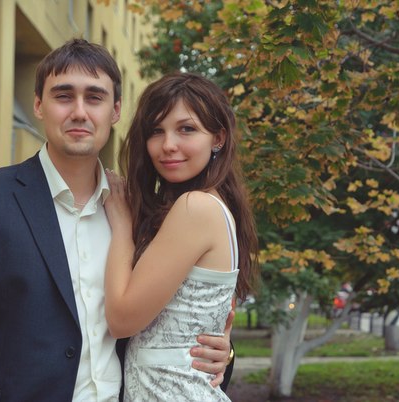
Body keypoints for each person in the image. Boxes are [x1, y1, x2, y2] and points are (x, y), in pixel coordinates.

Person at [0, 39, 232, 402]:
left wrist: (223, 354)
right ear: (39, 105)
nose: (80, 112)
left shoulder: (142, 212)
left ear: (115, 110)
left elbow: (181, 323)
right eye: (64, 96)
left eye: (95, 97)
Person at [103, 72, 260, 401]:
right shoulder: (206, 206)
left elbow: (121, 320)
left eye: (186, 129)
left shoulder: (195, 207)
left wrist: (121, 225)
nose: (168, 145)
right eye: (156, 131)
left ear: (218, 138)